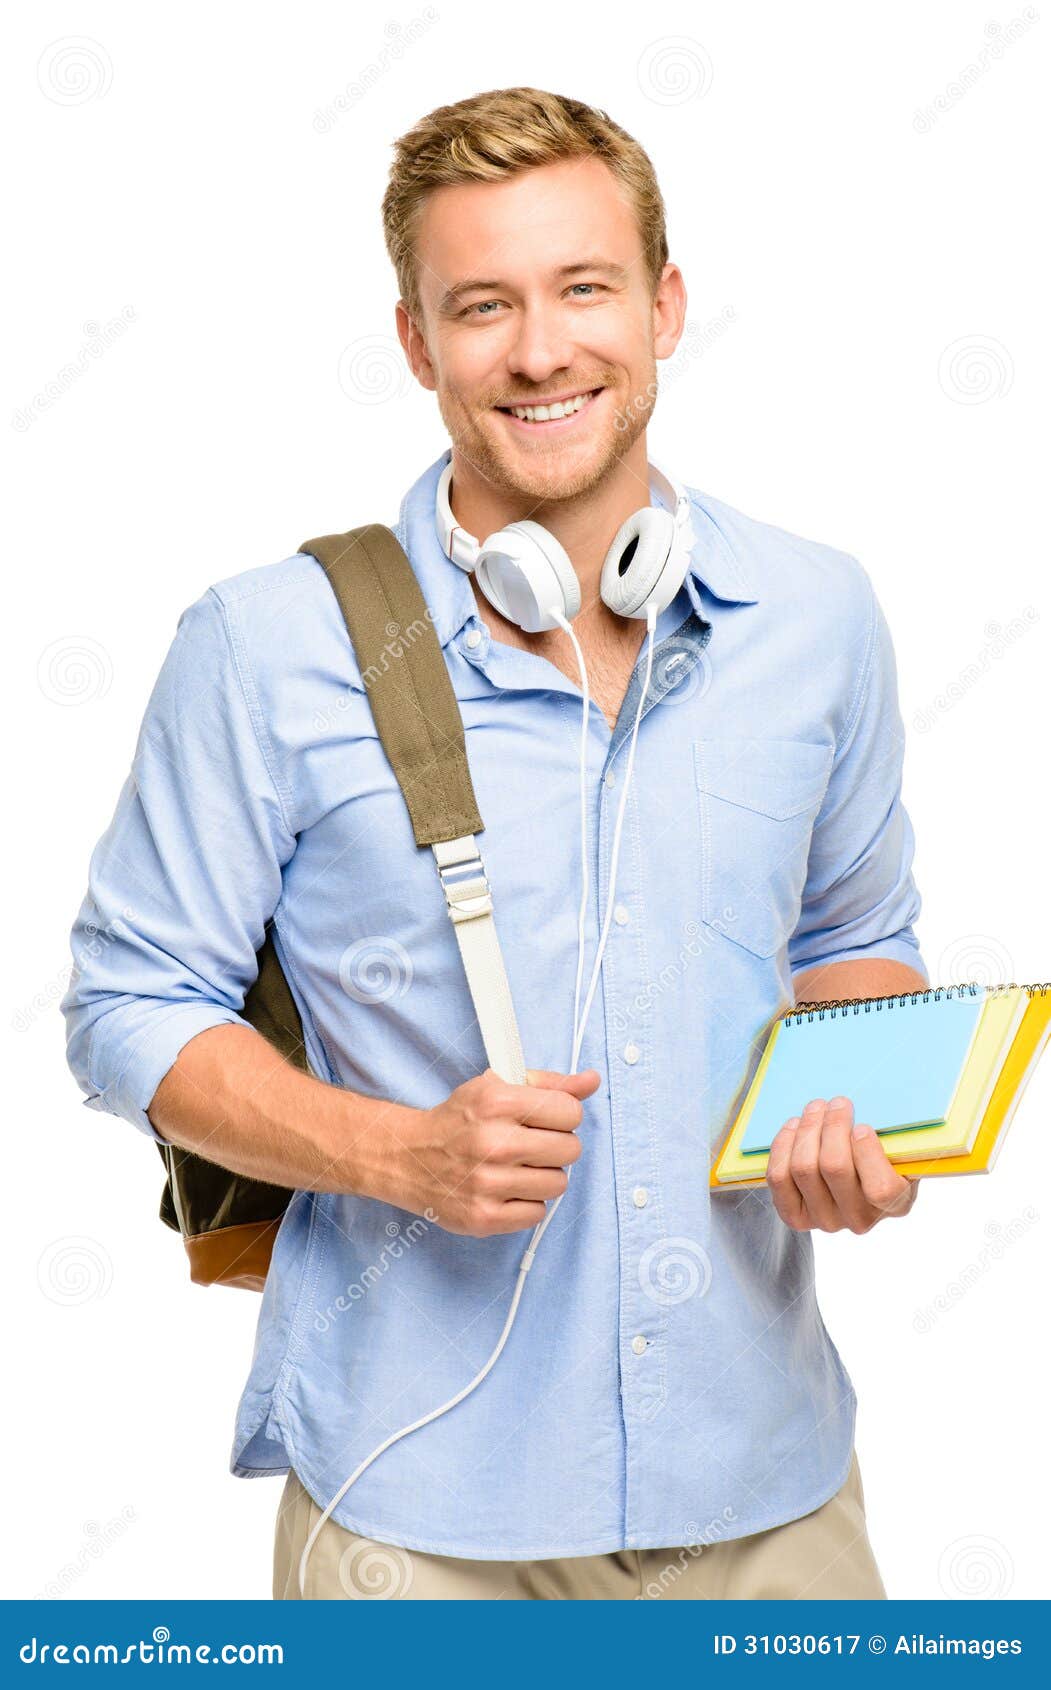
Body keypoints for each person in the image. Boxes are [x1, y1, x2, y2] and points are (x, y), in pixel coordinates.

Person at [61, 86, 926, 1601]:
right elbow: (128, 1006)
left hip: (775, 1491)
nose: (540, 350)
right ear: (416, 342)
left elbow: (853, 931)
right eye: (483, 306)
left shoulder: (821, 617)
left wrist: (864, 1113)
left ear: (663, 307)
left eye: (585, 288)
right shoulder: (266, 648)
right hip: (417, 1521)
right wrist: (398, 1153)